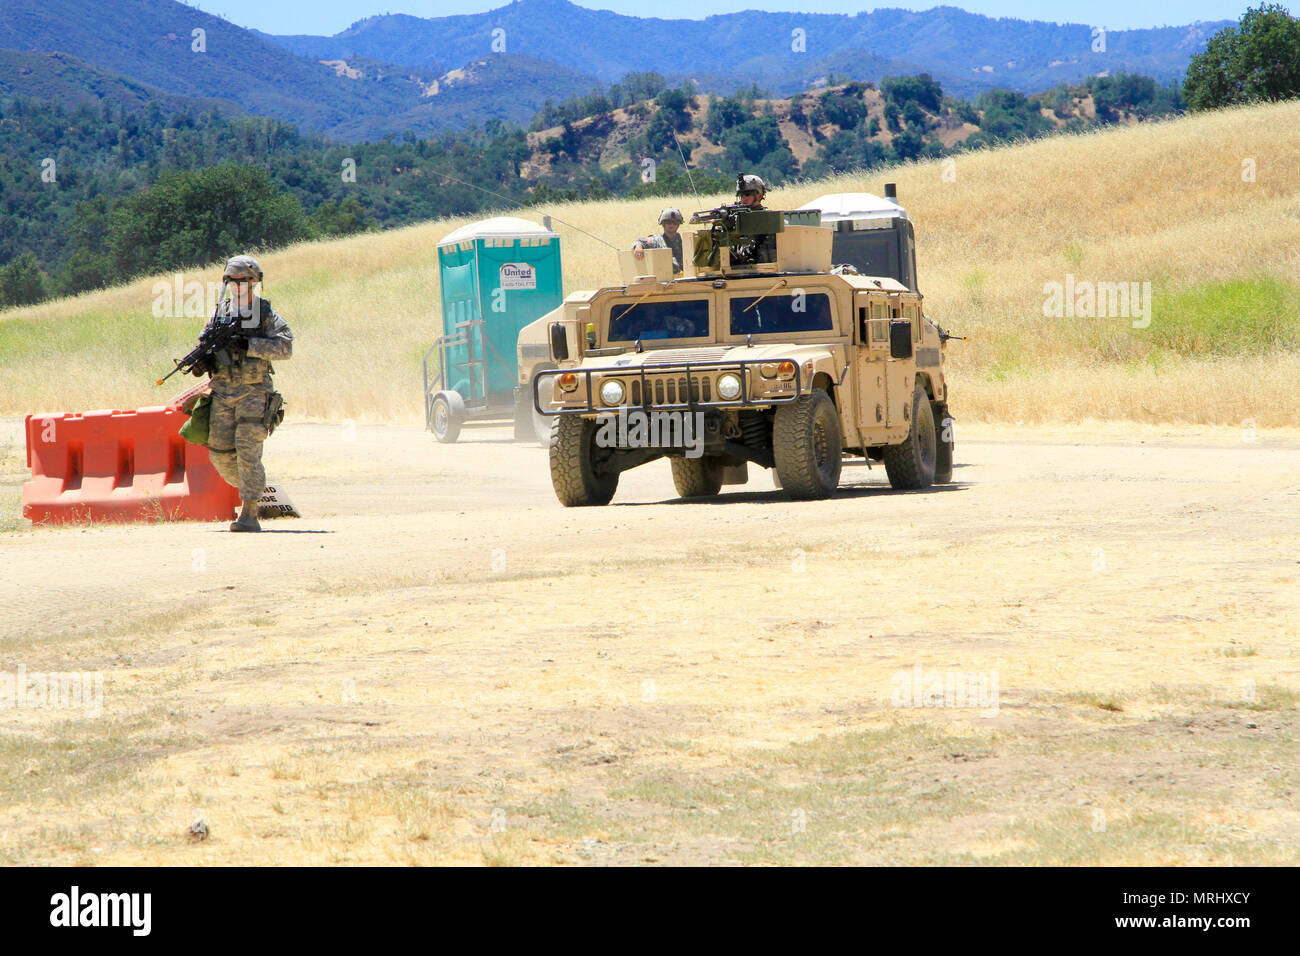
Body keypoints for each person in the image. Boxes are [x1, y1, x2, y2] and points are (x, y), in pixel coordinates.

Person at [199, 255, 293, 532]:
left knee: (248, 452)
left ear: (254, 283)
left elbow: (285, 348)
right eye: (233, 280)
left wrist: (249, 344)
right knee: (219, 453)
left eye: (244, 281)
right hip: (223, 393)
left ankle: (249, 513)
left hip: (254, 393)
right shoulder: (219, 313)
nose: (238, 285)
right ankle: (253, 488)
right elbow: (204, 343)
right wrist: (204, 360)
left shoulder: (265, 315)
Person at [732, 173, 777, 265]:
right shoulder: (735, 217)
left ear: (759, 196)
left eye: (747, 194)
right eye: (741, 195)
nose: (743, 198)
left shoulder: (769, 219)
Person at [631, 208, 685, 274]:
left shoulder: (684, 240)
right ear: (663, 224)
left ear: (678, 224)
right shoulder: (657, 240)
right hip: (665, 280)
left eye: (675, 223)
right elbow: (640, 241)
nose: (671, 225)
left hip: (685, 279)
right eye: (668, 222)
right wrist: (638, 246)